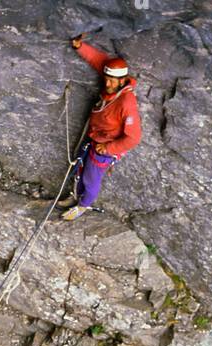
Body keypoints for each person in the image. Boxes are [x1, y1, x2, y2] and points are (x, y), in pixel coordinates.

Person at [63, 34, 142, 220]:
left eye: (112, 81)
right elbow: (99, 61)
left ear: (122, 80)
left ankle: (83, 206)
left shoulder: (126, 102)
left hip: (104, 146)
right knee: (81, 170)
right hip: (94, 138)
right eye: (106, 79)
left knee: (91, 178)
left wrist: (108, 148)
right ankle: (76, 196)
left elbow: (133, 138)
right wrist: (80, 47)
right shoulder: (112, 81)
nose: (107, 84)